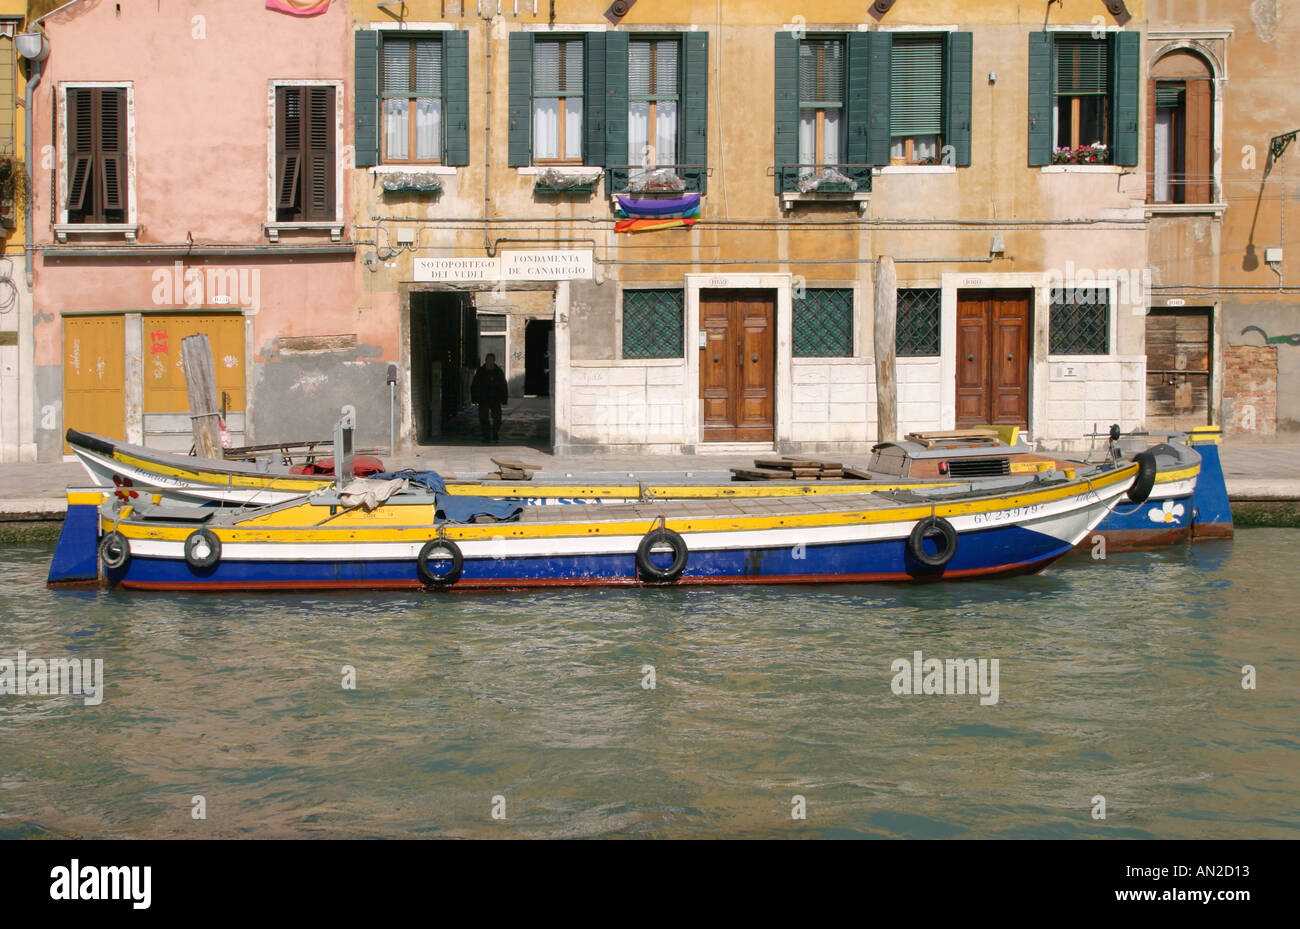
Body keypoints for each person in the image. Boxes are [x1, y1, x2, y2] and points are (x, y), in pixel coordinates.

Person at [470, 353, 508, 443]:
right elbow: (475, 385)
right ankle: (486, 435)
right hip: (483, 399)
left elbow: (503, 385)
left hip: (495, 399)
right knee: (483, 417)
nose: (490, 361)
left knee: (497, 418)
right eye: (488, 359)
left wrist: (504, 398)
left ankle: (495, 433)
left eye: (491, 359)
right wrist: (474, 398)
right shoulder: (481, 371)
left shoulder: (498, 371)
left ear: (494, 360)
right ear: (486, 360)